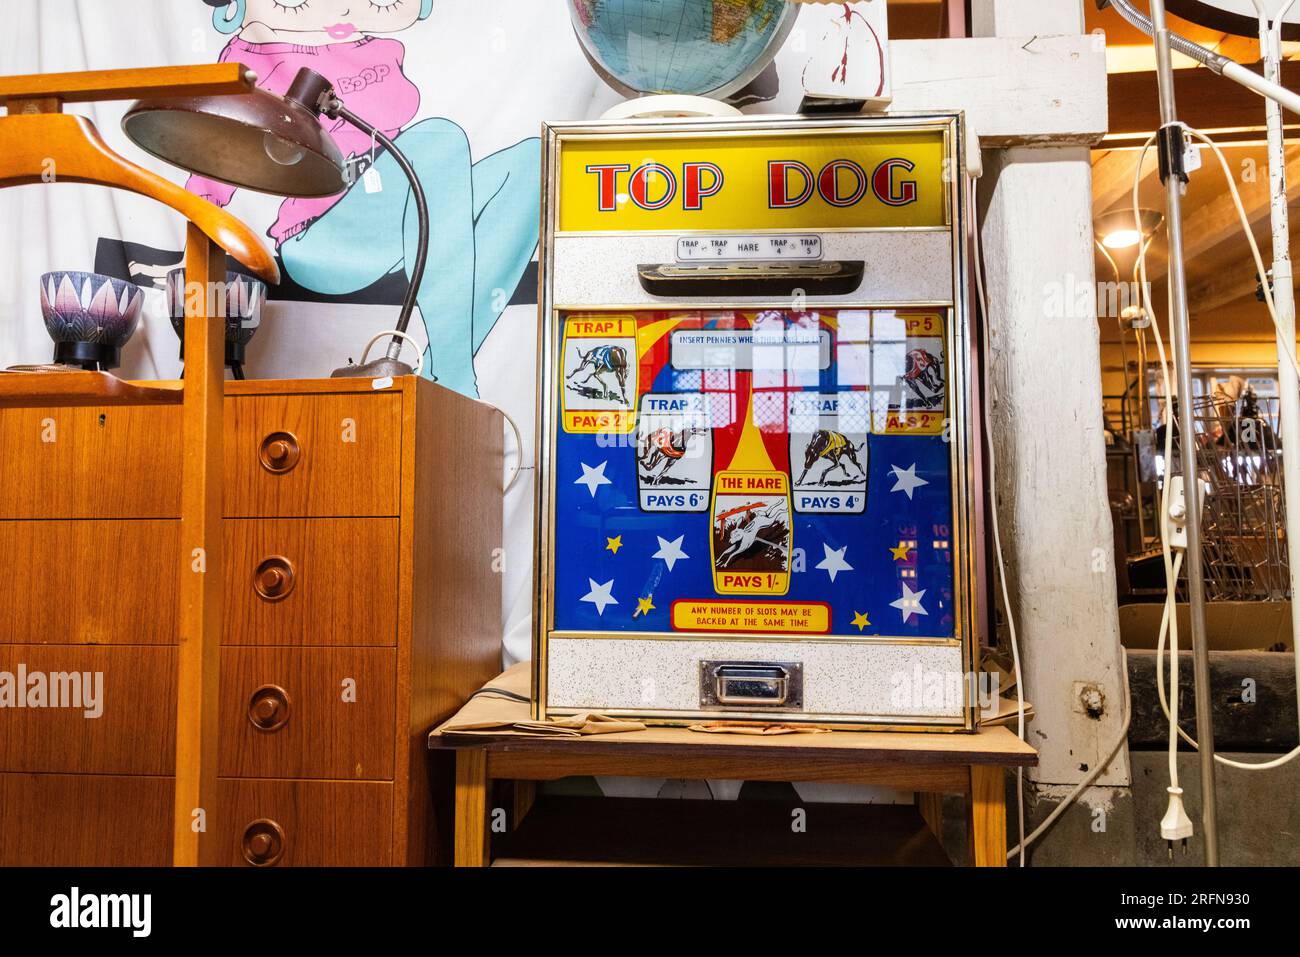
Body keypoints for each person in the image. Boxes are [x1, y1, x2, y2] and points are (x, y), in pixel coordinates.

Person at [193, 0, 540, 395]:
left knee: (533, 160)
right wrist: (197, 245)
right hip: (317, 242)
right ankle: (455, 374)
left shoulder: (376, 53)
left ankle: (443, 370)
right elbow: (217, 155)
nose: (341, 11)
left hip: (390, 224)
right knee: (441, 138)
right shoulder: (252, 60)